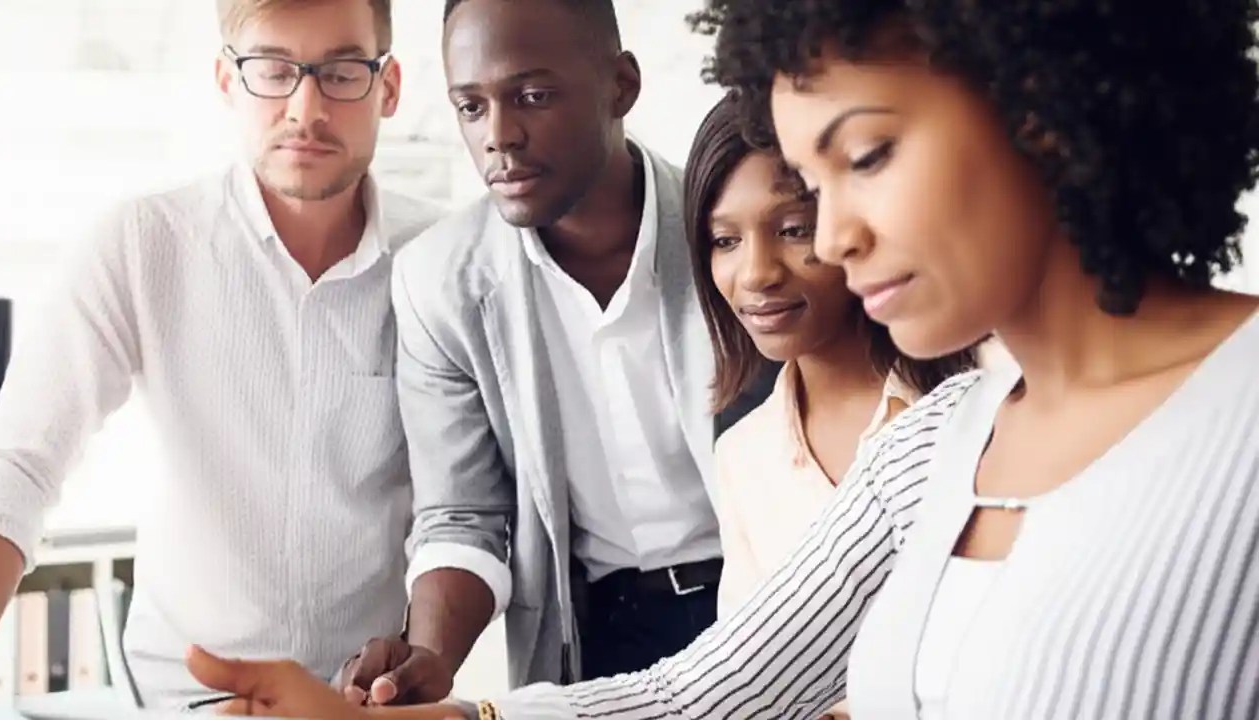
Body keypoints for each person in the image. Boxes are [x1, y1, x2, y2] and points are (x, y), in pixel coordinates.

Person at [181, 0, 1259, 717]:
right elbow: (698, 696)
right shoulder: (935, 447)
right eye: (809, 182)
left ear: (1048, 112)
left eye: (867, 156)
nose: (828, 240)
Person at [0, 0, 440, 708]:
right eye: (272, 70)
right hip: (189, 698)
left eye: (342, 71)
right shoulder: (142, 240)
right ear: (227, 80)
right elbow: (17, 464)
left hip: (368, 702)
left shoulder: (443, 259)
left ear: (390, 86)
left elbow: (469, 506)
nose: (306, 106)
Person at [332, 0, 740, 707]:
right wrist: (426, 655)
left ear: (621, 87)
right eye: (470, 106)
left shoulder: (732, 237)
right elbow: (463, 514)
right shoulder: (438, 281)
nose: (500, 135)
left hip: (762, 600)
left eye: (533, 95)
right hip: (592, 641)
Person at [685, 95, 975, 616]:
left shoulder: (979, 388)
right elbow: (753, 674)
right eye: (724, 240)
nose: (756, 273)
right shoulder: (743, 458)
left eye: (793, 229)